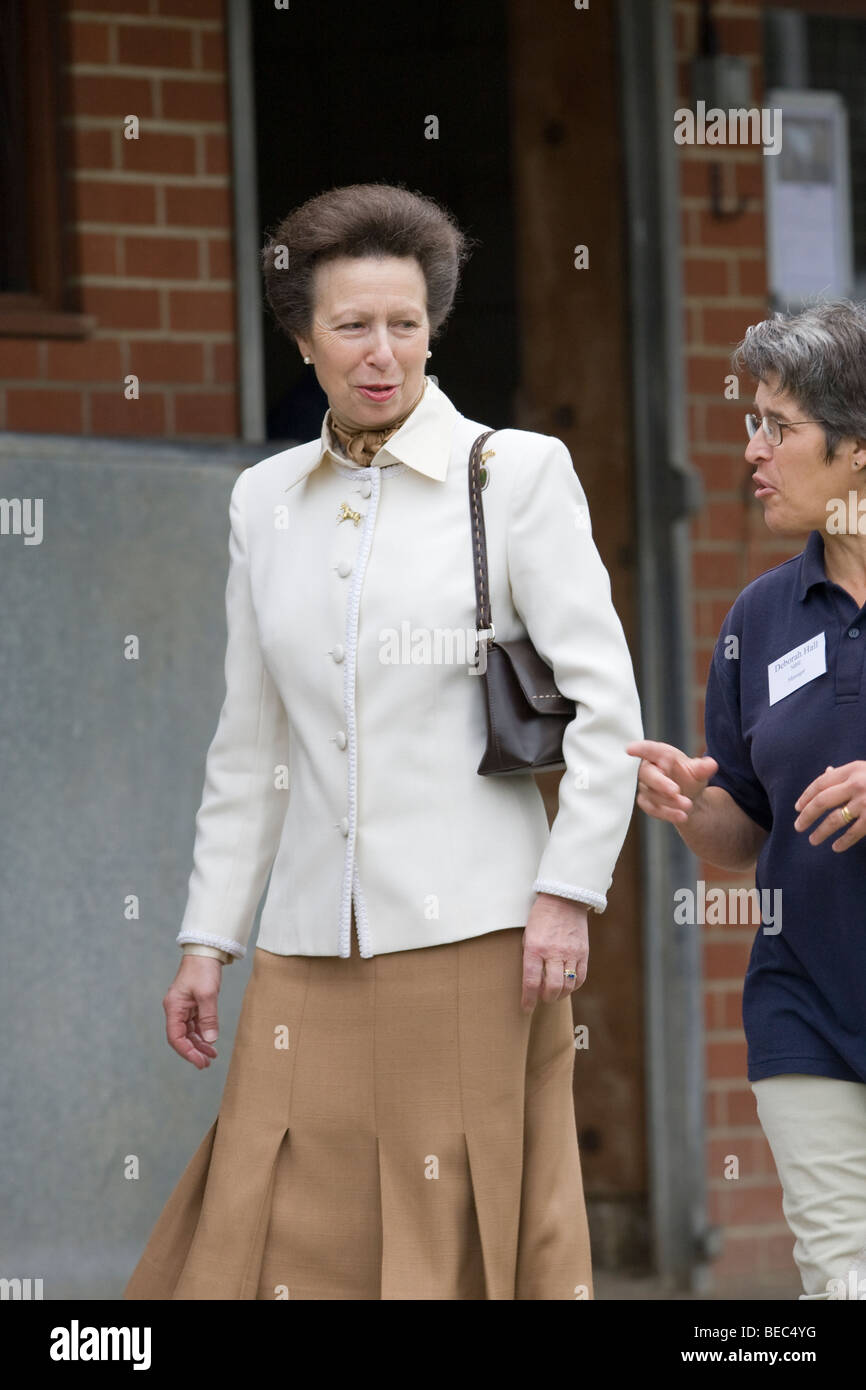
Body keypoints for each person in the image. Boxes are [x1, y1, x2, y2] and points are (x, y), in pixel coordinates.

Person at [123, 182, 642, 1302]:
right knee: (265, 1230)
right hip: (307, 938)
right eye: (352, 325)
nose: (382, 352)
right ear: (302, 336)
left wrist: (567, 889)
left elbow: (608, 706)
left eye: (405, 324)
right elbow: (247, 742)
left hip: (478, 933)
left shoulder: (513, 476)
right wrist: (209, 937)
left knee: (445, 1232)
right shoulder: (262, 501)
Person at [629, 299, 866, 1300]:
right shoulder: (758, 617)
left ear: (854, 447)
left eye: (777, 427)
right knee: (838, 1277)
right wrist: (692, 806)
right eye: (749, 423)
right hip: (803, 1001)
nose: (750, 450)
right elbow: (741, 831)